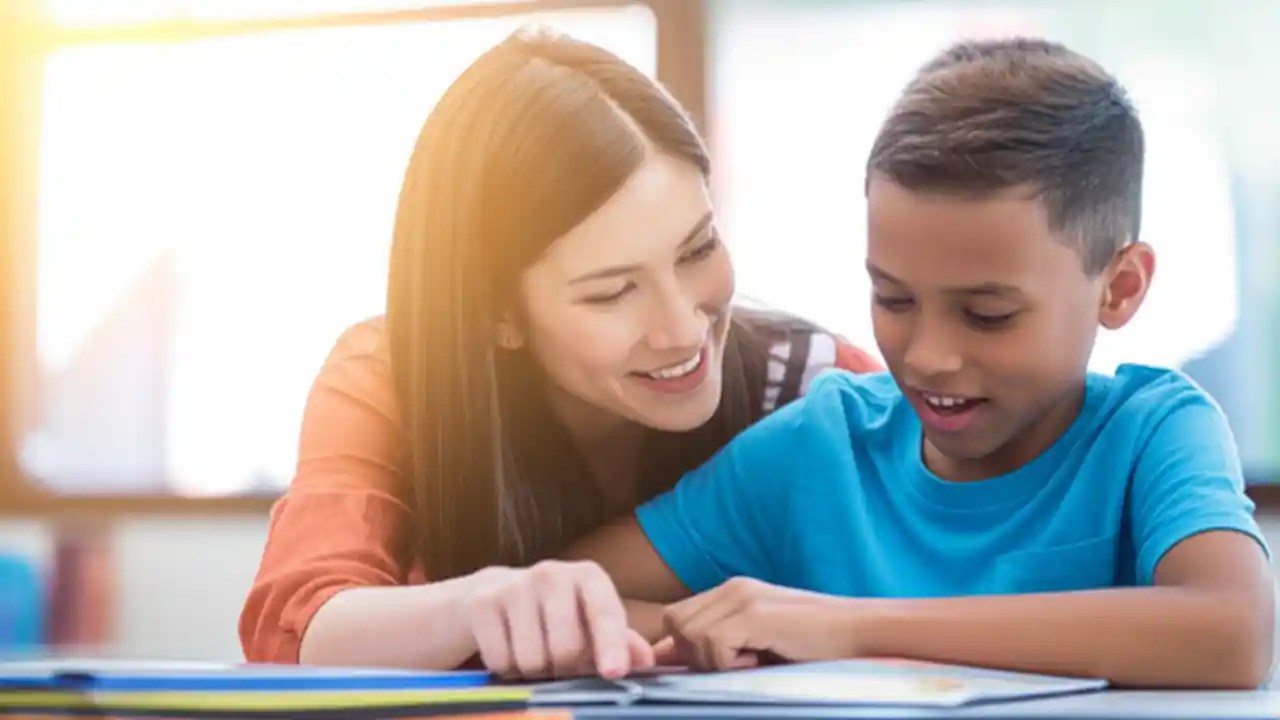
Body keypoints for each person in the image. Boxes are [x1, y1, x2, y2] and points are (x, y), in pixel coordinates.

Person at [570, 38, 1275, 689]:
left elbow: (1233, 634)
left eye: (987, 315)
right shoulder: (818, 448)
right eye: (894, 298)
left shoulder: (1152, 434)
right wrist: (739, 632)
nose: (929, 358)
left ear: (1119, 287)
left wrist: (846, 629)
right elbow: (564, 591)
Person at [238, 27, 880, 680]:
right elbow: (295, 631)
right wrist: (484, 604)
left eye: (697, 250)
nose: (682, 329)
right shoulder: (390, 378)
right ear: (498, 314)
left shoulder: (820, 389)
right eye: (612, 293)